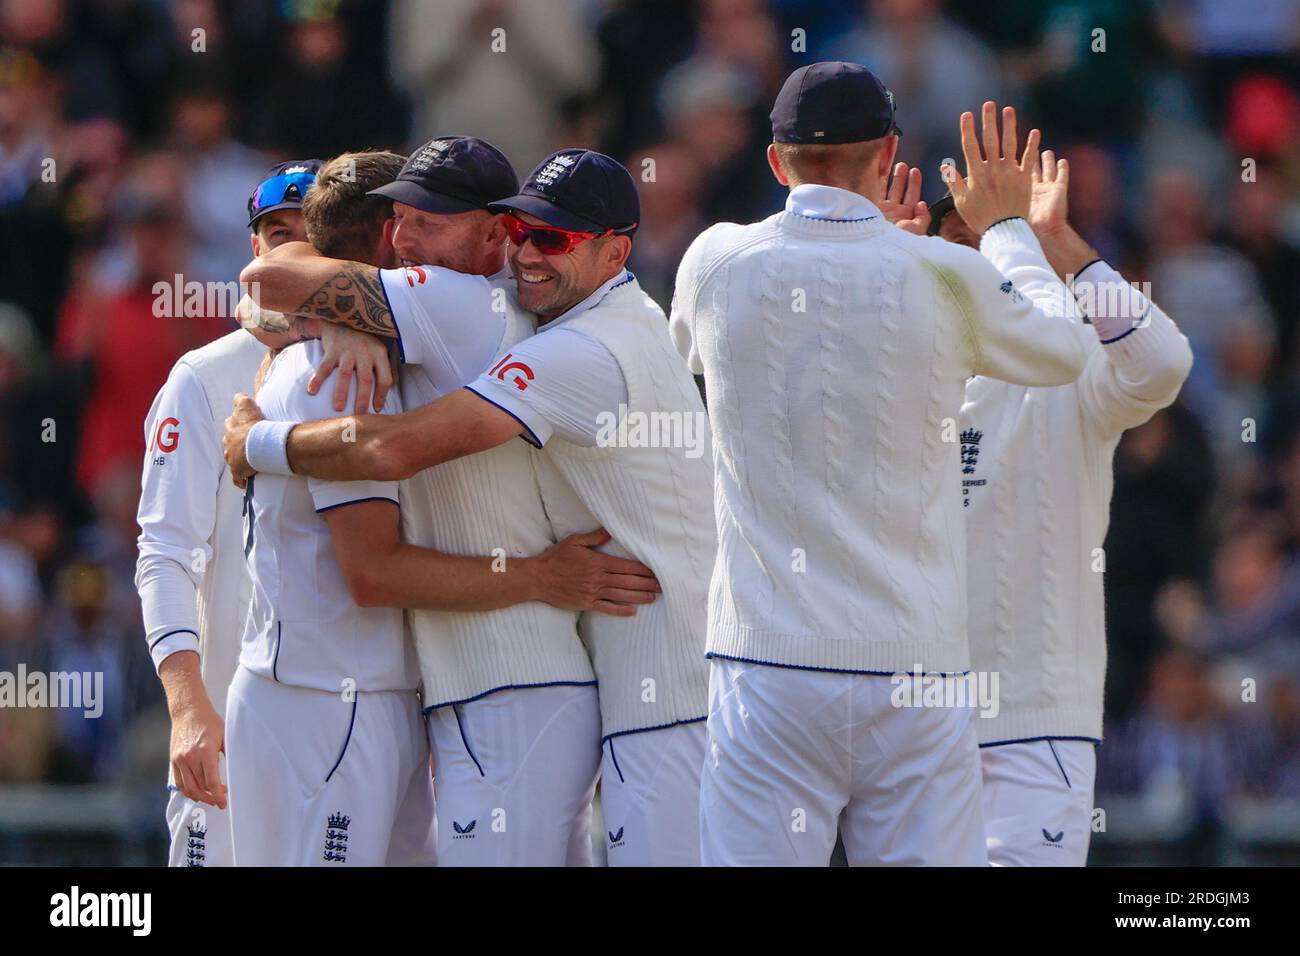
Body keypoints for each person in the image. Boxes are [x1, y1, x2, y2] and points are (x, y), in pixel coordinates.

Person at [225, 148, 716, 867]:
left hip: (519, 684)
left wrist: (256, 444)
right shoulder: (535, 305)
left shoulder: (462, 302)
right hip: (542, 682)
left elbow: (266, 281)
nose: (408, 241)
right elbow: (267, 296)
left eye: (431, 222)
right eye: (400, 220)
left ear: (491, 238)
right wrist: (333, 321)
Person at [668, 63, 1093, 866]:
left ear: (774, 160)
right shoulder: (945, 271)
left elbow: (694, 345)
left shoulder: (713, 261)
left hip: (768, 663)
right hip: (915, 664)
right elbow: (1067, 349)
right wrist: (1006, 228)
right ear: (890, 149)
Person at [926, 145, 1192, 865]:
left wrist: (1063, 246)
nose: (979, 263)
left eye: (993, 239)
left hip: (1033, 719)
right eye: (957, 242)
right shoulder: (894, 375)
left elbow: (1162, 364)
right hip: (904, 726)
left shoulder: (1070, 368)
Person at [135, 158, 379, 866]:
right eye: (277, 233)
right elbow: (166, 552)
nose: (292, 252)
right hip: (227, 730)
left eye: (310, 236)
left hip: (346, 726)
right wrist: (186, 709)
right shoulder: (204, 377)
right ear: (254, 249)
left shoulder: (380, 363)